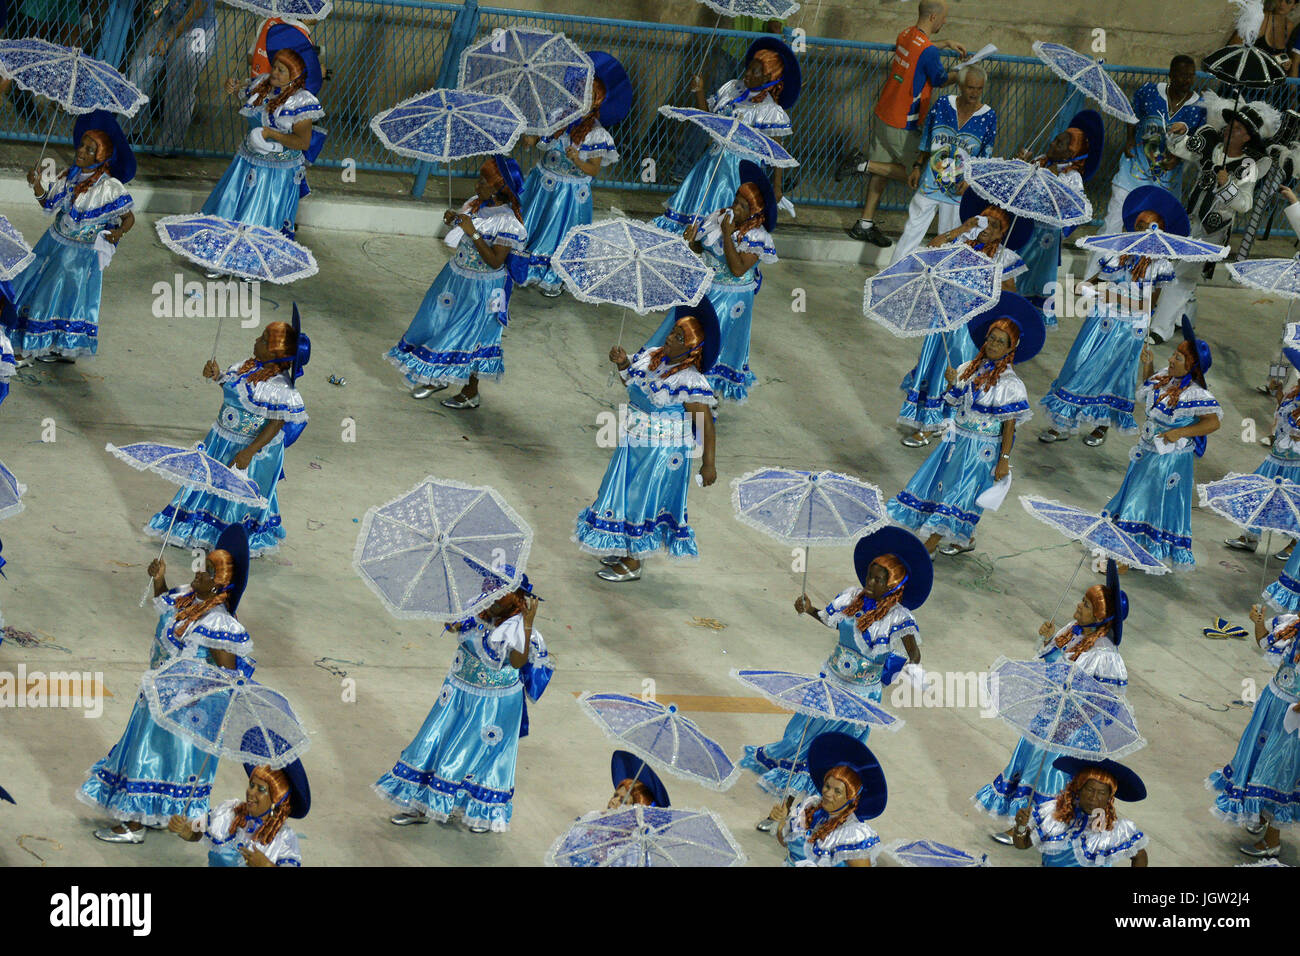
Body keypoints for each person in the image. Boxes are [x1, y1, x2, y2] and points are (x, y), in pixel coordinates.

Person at [78, 527, 254, 843]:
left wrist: (194, 694)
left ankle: (133, 824)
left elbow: (230, 677)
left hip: (184, 709)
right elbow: (167, 606)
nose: (199, 571)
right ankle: (153, 814)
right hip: (157, 695)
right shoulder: (188, 596)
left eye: (209, 571)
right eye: (203, 565)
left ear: (218, 586)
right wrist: (160, 578)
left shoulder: (217, 623)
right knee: (147, 753)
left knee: (150, 755)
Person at [745, 527, 930, 825]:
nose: (870, 582)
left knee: (831, 756)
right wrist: (808, 609)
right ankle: (780, 813)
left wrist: (903, 669)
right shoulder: (851, 597)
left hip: (859, 698)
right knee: (800, 741)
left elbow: (915, 654)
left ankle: (816, 818)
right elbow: (829, 620)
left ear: (893, 584)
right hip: (829, 683)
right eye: (869, 575)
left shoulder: (900, 619)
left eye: (878, 579)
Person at [375, 572, 551, 833]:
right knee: (433, 741)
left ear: (516, 597)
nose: (492, 597)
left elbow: (517, 662)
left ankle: (481, 812)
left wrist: (527, 624)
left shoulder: (518, 626)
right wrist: (455, 601)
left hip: (495, 704)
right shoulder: (479, 606)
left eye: (499, 593)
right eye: (489, 589)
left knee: (480, 756)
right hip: (457, 691)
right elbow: (451, 626)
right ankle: (419, 804)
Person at [975, 561, 1129, 843]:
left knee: (1046, 776)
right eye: (1081, 600)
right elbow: (1049, 665)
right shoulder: (1074, 630)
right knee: (1029, 770)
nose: (1079, 606)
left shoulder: (1105, 656)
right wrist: (1048, 639)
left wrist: (1068, 717)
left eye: (1085, 604)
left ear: (1098, 615)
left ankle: (1033, 828)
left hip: (1071, 730)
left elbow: (1093, 696)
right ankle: (1025, 826)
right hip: (1048, 717)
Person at [887, 292, 1044, 556]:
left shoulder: (1011, 385)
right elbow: (955, 403)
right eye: (992, 338)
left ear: (1010, 348)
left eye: (1001, 342)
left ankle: (930, 546)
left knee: (960, 493)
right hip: (956, 440)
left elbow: (1009, 427)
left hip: (982, 451)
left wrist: (1003, 459)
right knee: (944, 488)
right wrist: (952, 382)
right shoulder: (968, 368)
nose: (994, 344)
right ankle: (964, 537)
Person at [574, 301, 720, 582]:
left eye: (679, 337)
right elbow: (634, 386)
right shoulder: (655, 358)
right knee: (622, 494)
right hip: (634, 443)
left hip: (662, 453)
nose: (669, 337)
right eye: (673, 331)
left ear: (692, 349)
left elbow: (705, 425)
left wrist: (708, 464)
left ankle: (634, 562)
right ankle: (625, 547)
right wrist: (623, 364)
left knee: (642, 500)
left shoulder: (690, 381)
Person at [146, 311, 309, 556]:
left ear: (276, 352)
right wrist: (218, 376)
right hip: (222, 439)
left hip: (250, 447)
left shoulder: (278, 387)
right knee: (209, 482)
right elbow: (237, 391)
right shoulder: (248, 366)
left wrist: (249, 453)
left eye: (263, 340)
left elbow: (276, 424)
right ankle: (199, 526)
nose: (256, 340)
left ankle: (228, 535)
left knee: (233, 492)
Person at [1039, 186, 1186, 446]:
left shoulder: (1160, 266)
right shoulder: (1116, 254)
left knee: (1114, 374)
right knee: (1078, 366)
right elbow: (1091, 282)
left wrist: (1111, 297)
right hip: (1100, 321)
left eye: (1149, 227)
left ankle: (1101, 425)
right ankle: (1062, 423)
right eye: (1139, 224)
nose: (1142, 231)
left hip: (1130, 329)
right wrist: (1086, 287)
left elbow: (1147, 306)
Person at [385, 156, 527, 410]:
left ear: (498, 187)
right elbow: (462, 228)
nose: (476, 186)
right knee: (436, 323)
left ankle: (470, 391)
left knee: (474, 338)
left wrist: (473, 232)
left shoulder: (508, 222)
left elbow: (496, 261)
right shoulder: (474, 204)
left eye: (482, 182)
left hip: (483, 289)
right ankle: (438, 376)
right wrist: (454, 219)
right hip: (454, 277)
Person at [897, 192, 1031, 446]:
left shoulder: (1005, 259)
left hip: (969, 325)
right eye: (984, 220)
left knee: (951, 369)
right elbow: (933, 248)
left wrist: (991, 285)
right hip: (943, 317)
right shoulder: (963, 244)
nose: (986, 228)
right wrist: (964, 227)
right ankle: (927, 419)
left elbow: (1011, 297)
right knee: (933, 363)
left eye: (994, 226)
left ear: (1002, 233)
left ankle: (935, 424)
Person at [640, 162, 777, 403]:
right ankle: (672, 381)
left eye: (744, 206)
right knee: (682, 332)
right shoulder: (720, 215)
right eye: (736, 199)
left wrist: (727, 233)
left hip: (731, 298)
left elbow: (736, 269)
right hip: (705, 288)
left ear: (755, 213)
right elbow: (702, 250)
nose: (736, 206)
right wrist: (691, 241)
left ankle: (703, 397)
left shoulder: (758, 238)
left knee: (713, 342)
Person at [4, 111, 135, 364]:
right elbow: (49, 202)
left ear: (101, 156)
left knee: (58, 293)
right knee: (35, 284)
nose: (81, 151)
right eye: (82, 145)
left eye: (89, 149)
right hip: (53, 241)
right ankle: (40, 341)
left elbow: (129, 217)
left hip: (79, 253)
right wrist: (38, 184)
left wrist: (119, 232)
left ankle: (42, 345)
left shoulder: (110, 187)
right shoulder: (70, 175)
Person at [1151, 95, 1277, 342]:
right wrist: (1180, 131)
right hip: (1188, 219)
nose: (1230, 129)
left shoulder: (1247, 166)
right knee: (1182, 271)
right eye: (1230, 124)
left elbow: (1244, 204)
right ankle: (1184, 316)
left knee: (1182, 276)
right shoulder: (1213, 146)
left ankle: (1159, 329)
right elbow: (1179, 146)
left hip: (1213, 231)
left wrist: (1228, 186)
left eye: (1238, 128)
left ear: (1247, 137)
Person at [1101, 318, 1221, 570]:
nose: (1171, 360)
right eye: (1174, 355)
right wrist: (1148, 366)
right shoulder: (1165, 378)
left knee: (1144, 499)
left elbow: (1212, 423)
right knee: (1139, 495)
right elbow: (1150, 395)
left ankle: (1128, 555)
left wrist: (1181, 432)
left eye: (1178, 358)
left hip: (1169, 458)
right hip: (1148, 449)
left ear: (1192, 366)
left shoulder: (1196, 394)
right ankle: (1132, 548)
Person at [844, 0, 964, 246]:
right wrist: (963, 73)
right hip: (902, 121)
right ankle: (861, 165)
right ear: (933, 17)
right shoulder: (928, 51)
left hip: (884, 112)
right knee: (923, 173)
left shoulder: (906, 34)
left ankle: (864, 224)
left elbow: (921, 48)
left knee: (883, 169)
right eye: (944, 18)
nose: (945, 22)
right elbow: (940, 79)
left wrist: (946, 43)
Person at [509, 52, 630, 296]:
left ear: (596, 100)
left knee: (559, 234)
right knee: (532, 226)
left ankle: (553, 276)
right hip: (542, 185)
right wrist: (529, 132)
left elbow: (594, 170)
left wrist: (577, 160)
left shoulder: (597, 134)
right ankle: (520, 267)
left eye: (585, 94)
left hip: (569, 196)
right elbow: (530, 143)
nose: (578, 97)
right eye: (576, 90)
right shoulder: (556, 117)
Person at [651, 37, 799, 235]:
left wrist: (777, 186)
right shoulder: (732, 88)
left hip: (739, 174)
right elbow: (709, 119)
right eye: (748, 68)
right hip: (710, 163)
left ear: (768, 78)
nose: (747, 74)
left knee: (723, 219)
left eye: (755, 72)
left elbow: (776, 150)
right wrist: (700, 91)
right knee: (693, 210)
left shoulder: (771, 111)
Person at [1083, 56, 1205, 277]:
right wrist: (1129, 139)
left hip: (1166, 185)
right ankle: (1095, 277)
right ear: (1170, 75)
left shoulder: (1199, 107)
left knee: (1155, 234)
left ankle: (1139, 283)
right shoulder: (1149, 92)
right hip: (1132, 173)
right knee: (1114, 223)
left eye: (1190, 75)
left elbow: (1200, 143)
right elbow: (1132, 116)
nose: (1186, 80)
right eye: (1180, 75)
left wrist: (1180, 158)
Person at [200, 24, 325, 239]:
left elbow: (302, 143)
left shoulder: (301, 102)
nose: (273, 72)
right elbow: (241, 89)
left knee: (257, 217)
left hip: (275, 173)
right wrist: (231, 86)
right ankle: (221, 252)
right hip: (247, 162)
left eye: (280, 70)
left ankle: (248, 261)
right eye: (274, 66)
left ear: (294, 76)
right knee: (231, 207)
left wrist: (270, 134)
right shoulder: (263, 84)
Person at [1209, 605, 1300, 857]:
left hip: (1293, 714)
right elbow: (1263, 641)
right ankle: (1258, 814)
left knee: (1278, 772)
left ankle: (1273, 841)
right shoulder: (1291, 623)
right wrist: (1258, 621)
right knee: (1258, 761)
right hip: (1272, 703)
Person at [888, 64, 997, 264]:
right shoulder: (943, 104)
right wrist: (917, 166)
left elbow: (985, 156)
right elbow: (927, 137)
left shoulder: (989, 116)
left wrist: (970, 182)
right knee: (911, 231)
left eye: (979, 88)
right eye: (971, 87)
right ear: (961, 86)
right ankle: (893, 278)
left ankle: (938, 283)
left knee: (948, 240)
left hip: (958, 190)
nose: (975, 93)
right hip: (930, 181)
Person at [1013, 110, 1105, 330]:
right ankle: (1013, 307)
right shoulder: (1038, 162)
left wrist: (1054, 179)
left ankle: (1033, 319)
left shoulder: (1071, 177)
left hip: (1047, 237)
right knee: (1017, 270)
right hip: (1025, 229)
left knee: (1040, 277)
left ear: (1070, 152)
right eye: (1055, 139)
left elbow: (1076, 209)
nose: (1053, 144)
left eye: (1060, 143)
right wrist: (1020, 165)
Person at [1228, 322, 1300, 553]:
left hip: (1296, 464)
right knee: (1257, 493)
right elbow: (1279, 357)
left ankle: (1294, 545)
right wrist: (1277, 392)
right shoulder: (1294, 389)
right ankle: (1250, 537)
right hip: (1277, 457)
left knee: (1293, 507)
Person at [1011, 757, 1149, 866]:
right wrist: (1020, 827)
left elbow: (1140, 856)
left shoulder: (1115, 829)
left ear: (1109, 798)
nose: (1093, 798)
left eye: (1101, 793)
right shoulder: (1054, 813)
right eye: (1089, 790)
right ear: (1078, 789)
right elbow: (1022, 844)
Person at [775, 733, 886, 867]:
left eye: (837, 791)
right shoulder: (810, 808)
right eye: (827, 786)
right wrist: (781, 820)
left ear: (851, 798)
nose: (828, 793)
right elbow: (785, 842)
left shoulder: (852, 834)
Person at [168, 760, 308, 866]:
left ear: (275, 800)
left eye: (261, 789)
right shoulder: (228, 812)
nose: (251, 793)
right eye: (251, 785)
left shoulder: (283, 838)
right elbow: (196, 832)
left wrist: (267, 865)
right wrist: (184, 830)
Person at [124, 0, 217, 155]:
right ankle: (130, 129)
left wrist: (170, 37)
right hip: (168, 19)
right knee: (140, 69)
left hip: (197, 26)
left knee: (181, 85)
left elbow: (199, 6)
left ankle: (170, 143)